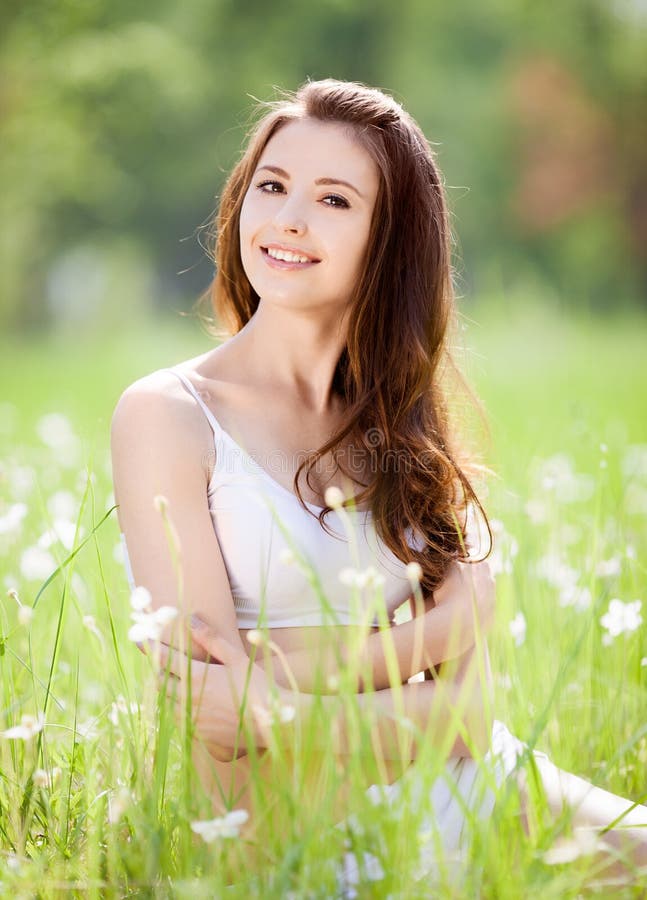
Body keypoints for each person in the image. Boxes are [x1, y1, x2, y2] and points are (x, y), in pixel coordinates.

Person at [111, 79, 647, 889]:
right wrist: (420, 647)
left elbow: (469, 717)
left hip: (470, 790)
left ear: (389, 238)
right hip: (287, 841)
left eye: (333, 199)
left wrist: (271, 688)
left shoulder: (403, 427)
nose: (288, 218)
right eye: (272, 185)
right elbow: (210, 717)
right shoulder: (170, 413)